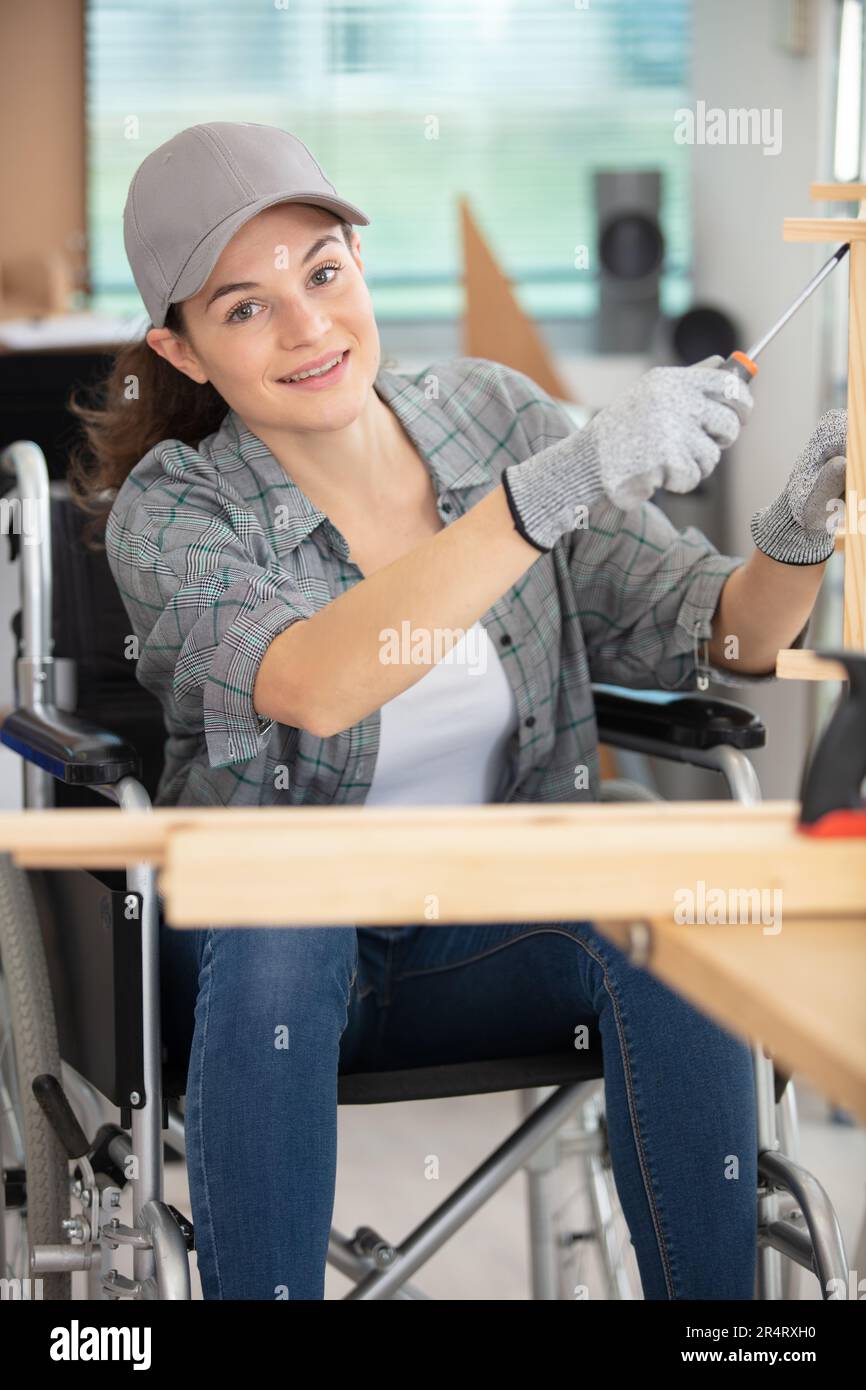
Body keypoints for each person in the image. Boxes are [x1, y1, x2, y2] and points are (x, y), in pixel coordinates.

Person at [69, 121, 847, 1300]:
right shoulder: (173, 513)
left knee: (662, 891)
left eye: (322, 272)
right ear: (179, 351)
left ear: (359, 268)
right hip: (246, 967)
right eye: (244, 308)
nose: (308, 328)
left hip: (474, 946)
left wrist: (800, 523)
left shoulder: (493, 418)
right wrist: (548, 495)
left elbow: (727, 634)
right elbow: (319, 681)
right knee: (290, 907)